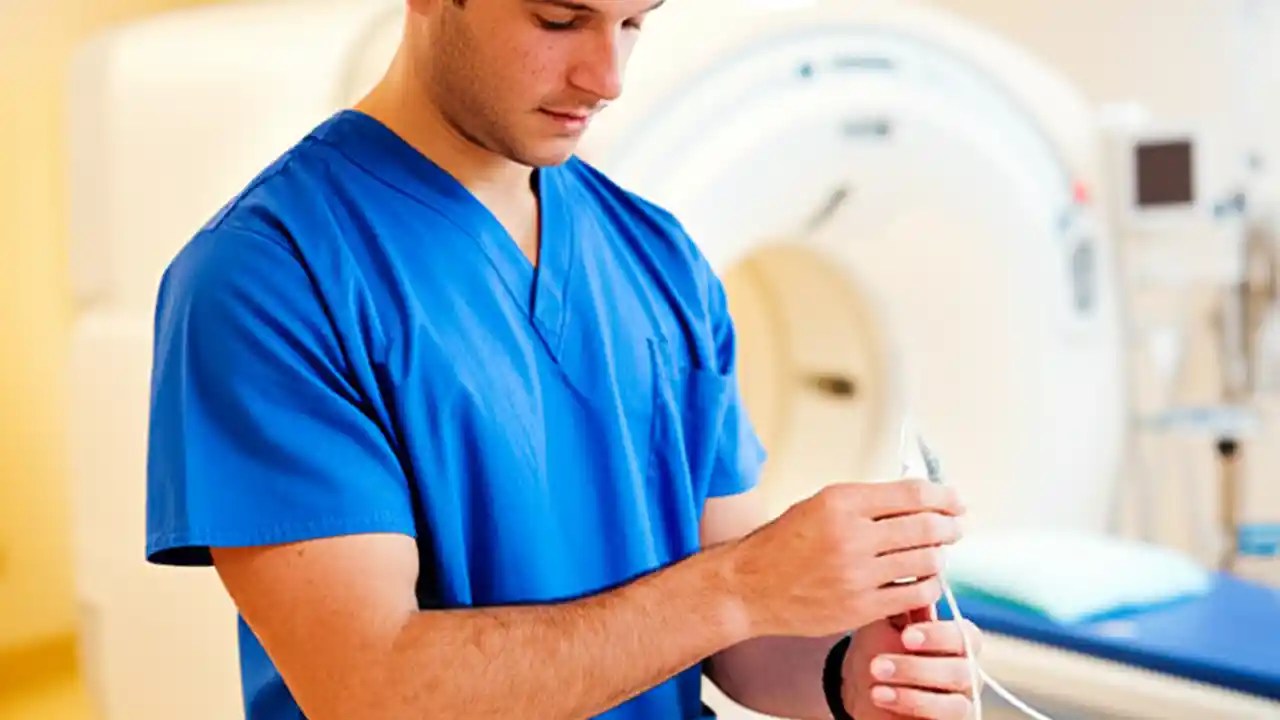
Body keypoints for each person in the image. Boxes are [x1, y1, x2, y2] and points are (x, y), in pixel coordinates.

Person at [144, 0, 981, 718]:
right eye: (559, 18)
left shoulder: (658, 258)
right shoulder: (271, 276)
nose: (606, 76)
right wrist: (742, 583)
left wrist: (851, 675)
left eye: (632, 23)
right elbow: (372, 688)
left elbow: (738, 639)